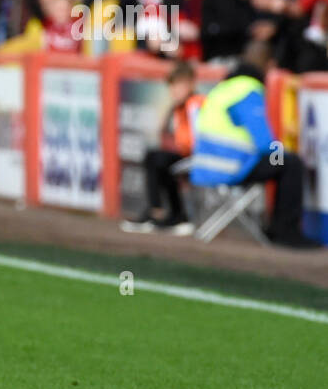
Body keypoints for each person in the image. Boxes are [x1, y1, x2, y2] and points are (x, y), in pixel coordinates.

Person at [190, 41, 318, 248]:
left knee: (282, 162)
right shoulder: (248, 89)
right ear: (269, 65)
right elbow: (264, 142)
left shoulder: (225, 87)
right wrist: (282, 152)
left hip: (203, 166)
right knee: (291, 163)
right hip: (229, 167)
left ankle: (278, 229)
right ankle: (286, 232)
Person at [121, 61, 205, 234]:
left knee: (159, 159)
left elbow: (199, 138)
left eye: (179, 85)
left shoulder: (195, 104)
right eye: (172, 85)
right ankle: (169, 213)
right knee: (157, 159)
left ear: (190, 84)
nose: (174, 90)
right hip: (186, 155)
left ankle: (165, 212)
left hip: (198, 157)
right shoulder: (178, 108)